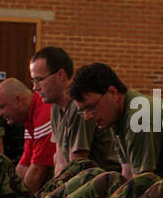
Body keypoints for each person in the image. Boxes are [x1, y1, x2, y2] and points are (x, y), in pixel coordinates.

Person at [68, 62, 163, 189]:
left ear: (112, 92)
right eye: (83, 111)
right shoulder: (117, 117)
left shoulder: (138, 117)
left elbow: (142, 186)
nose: (87, 117)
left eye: (91, 107)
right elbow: (127, 175)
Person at [30, 46, 120, 174]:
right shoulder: (56, 107)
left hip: (101, 183)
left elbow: (77, 166)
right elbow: (59, 158)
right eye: (33, 81)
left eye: (38, 80)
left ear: (60, 75)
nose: (34, 87)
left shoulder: (79, 107)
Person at [0, 77, 56, 195]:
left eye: (1, 107)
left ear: (18, 101)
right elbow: (24, 164)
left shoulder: (44, 113)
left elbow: (37, 171)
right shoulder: (30, 117)